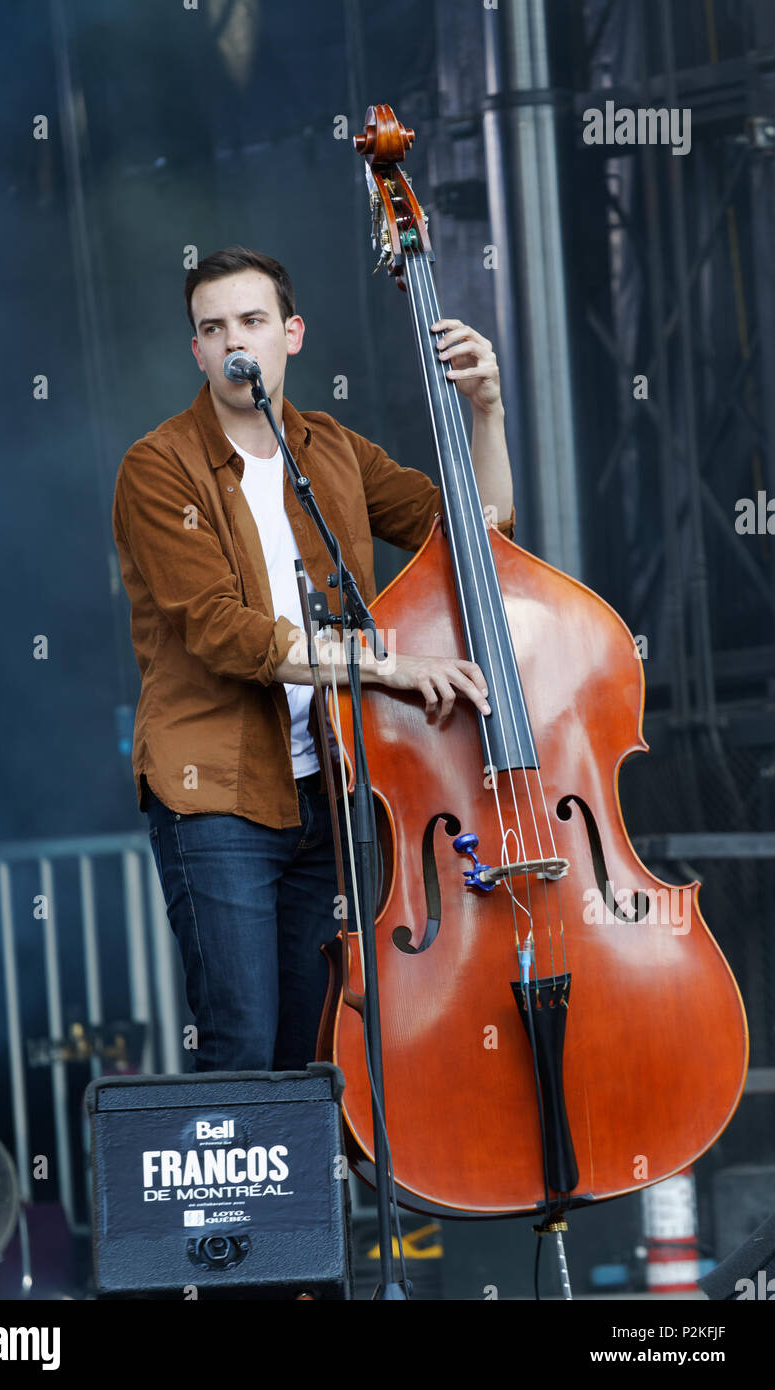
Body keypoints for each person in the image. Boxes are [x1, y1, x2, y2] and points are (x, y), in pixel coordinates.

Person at [111, 246, 515, 1073]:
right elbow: (222, 630)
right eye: (213, 327)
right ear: (195, 349)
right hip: (216, 793)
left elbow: (479, 539)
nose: (234, 341)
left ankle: (309, 1208)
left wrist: (488, 411)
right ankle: (244, 1208)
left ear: (290, 335)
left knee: (316, 1045)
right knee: (244, 1038)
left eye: (253, 322)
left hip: (328, 791)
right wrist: (383, 664)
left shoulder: (328, 448)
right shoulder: (157, 468)